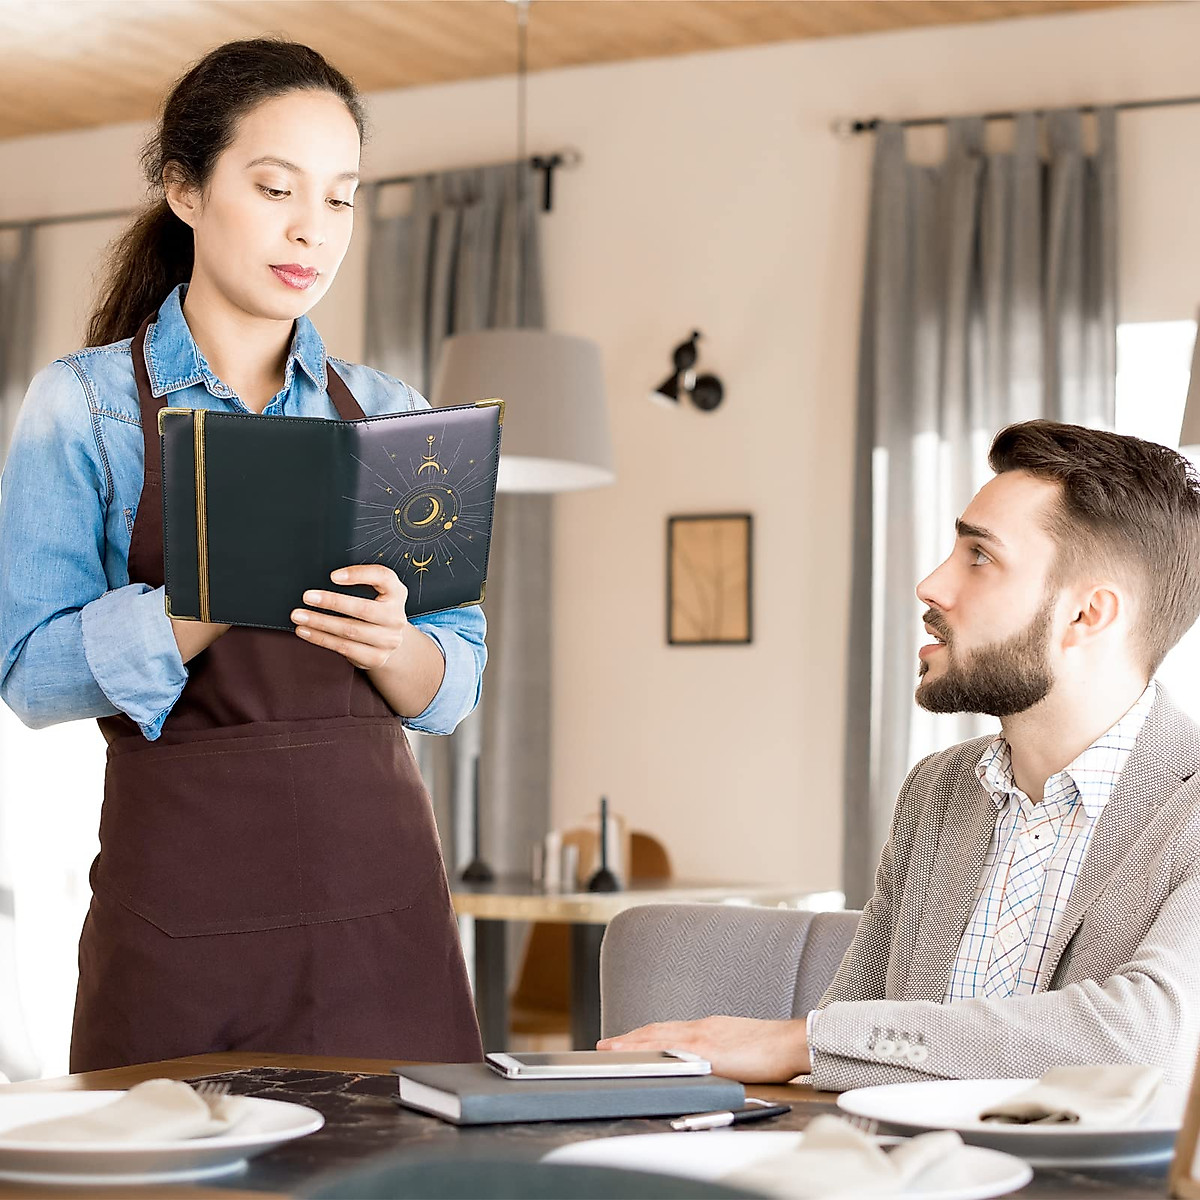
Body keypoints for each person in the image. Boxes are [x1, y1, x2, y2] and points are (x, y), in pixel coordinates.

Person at [0, 38, 485, 1072]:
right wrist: (203, 599)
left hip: (382, 916)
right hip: (180, 921)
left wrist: (393, 640)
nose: (312, 229)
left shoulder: (390, 414)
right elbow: (30, 676)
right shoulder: (84, 407)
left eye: (342, 198)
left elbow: (454, 680)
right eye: (275, 188)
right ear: (184, 187)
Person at [601, 420, 1200, 1090]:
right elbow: (848, 1043)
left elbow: (1150, 1039)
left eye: (980, 558)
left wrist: (797, 1039)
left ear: (1087, 615)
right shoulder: (940, 790)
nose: (932, 585)